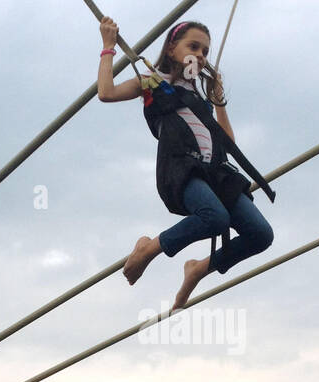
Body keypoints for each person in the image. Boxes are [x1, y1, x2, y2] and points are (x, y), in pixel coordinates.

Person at [98, 17, 276, 310]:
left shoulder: (199, 96)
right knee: (215, 217)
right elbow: (106, 92)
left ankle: (198, 268)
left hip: (215, 173)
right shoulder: (153, 83)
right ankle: (148, 249)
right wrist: (108, 47)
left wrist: (217, 100)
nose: (201, 56)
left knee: (261, 234)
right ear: (171, 49)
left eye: (205, 51)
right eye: (194, 47)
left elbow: (226, 143)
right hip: (181, 169)